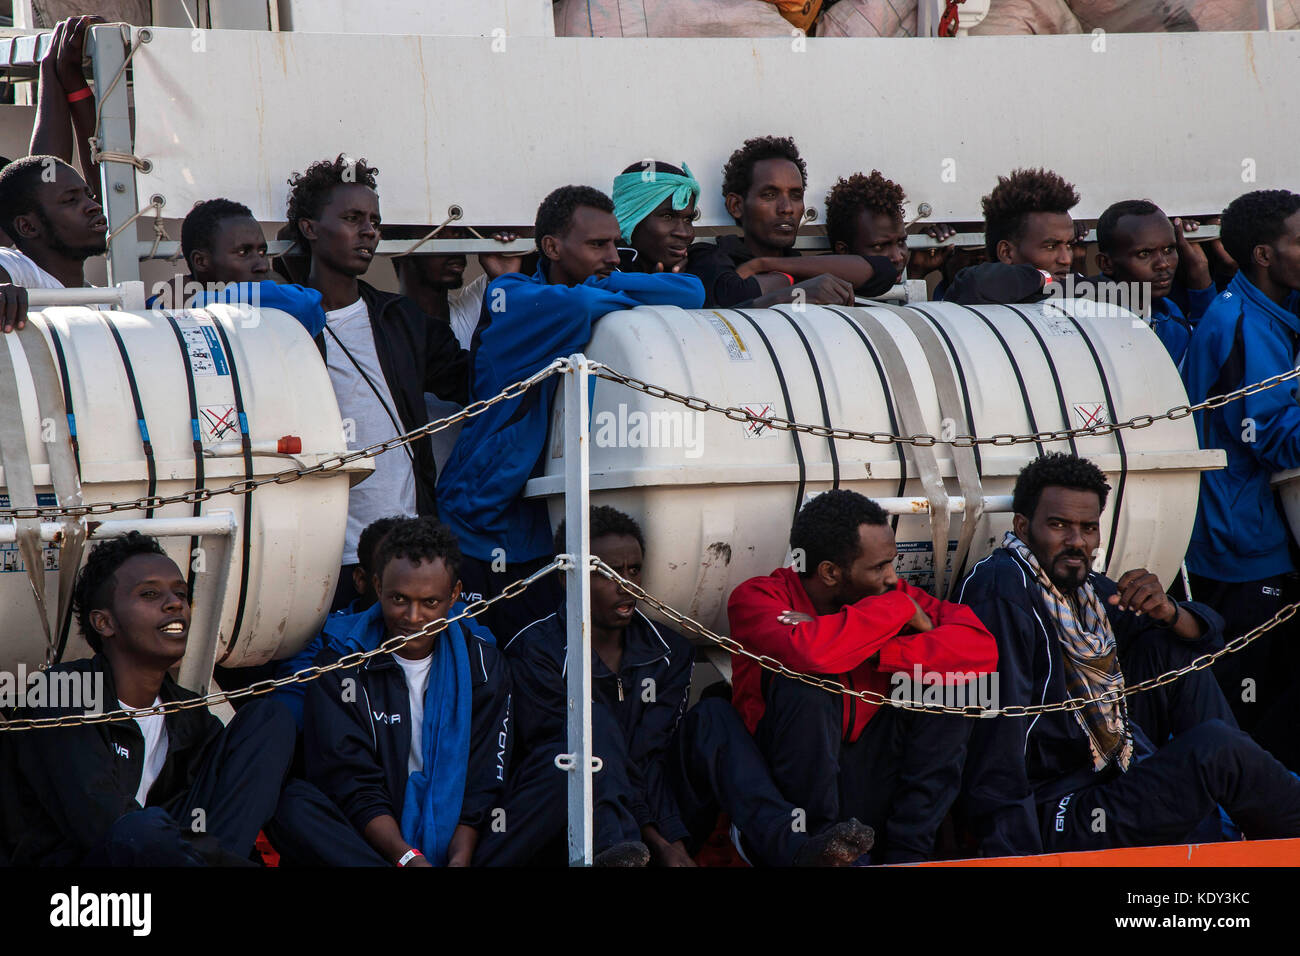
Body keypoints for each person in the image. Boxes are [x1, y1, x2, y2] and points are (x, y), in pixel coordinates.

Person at [476, 506, 875, 867]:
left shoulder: (669, 651)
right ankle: (616, 852)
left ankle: (793, 848)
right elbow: (577, 760)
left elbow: (649, 757)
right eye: (608, 574)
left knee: (714, 717)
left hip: (657, 815)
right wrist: (658, 843)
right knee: (588, 727)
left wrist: (667, 840)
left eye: (633, 570)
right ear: (568, 579)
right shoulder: (535, 650)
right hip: (566, 821)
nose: (626, 585)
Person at [956, 453, 1300, 852]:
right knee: (1218, 752)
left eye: (1088, 528)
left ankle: (1235, 813)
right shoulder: (1004, 590)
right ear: (1022, 526)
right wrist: (1014, 854)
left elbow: (1206, 638)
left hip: (1111, 772)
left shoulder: (1083, 589)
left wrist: (1168, 609)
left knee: (1167, 644)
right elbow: (999, 730)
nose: (1076, 541)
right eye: (1058, 525)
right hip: (1055, 809)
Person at [0, 533, 382, 865]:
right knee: (144, 829)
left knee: (274, 733)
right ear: (105, 622)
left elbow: (236, 807)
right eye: (150, 594)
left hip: (174, 853)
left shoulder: (189, 714)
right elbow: (101, 827)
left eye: (180, 594)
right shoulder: (61, 694)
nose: (175, 604)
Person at [436, 185, 703, 641]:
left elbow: (691, 289)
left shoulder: (582, 293)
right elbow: (581, 303)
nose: (615, 257)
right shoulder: (511, 294)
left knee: (542, 668)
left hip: (547, 526)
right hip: (480, 521)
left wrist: (602, 285)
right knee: (482, 666)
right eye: (598, 245)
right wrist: (613, 289)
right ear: (552, 247)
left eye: (617, 245)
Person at [727, 490, 1001, 863]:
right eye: (879, 567)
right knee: (809, 681)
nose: (893, 577)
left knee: (953, 686)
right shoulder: (758, 597)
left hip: (868, 770)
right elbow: (809, 652)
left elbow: (980, 650)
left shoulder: (892, 594)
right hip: (789, 791)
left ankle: (909, 855)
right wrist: (899, 613)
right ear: (829, 572)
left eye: (893, 562)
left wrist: (881, 651)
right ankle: (823, 850)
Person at [285, 154, 468, 611]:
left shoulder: (400, 318)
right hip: (319, 551)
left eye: (374, 221)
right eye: (351, 218)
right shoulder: (278, 322)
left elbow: (476, 381)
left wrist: (507, 280)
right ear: (310, 228)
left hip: (405, 551)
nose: (369, 231)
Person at [303, 517, 512, 866]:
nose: (413, 617)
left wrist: (460, 859)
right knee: (298, 805)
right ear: (376, 585)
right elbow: (352, 783)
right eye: (399, 598)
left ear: (455, 596)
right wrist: (408, 858)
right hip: (370, 839)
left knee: (550, 778)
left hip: (468, 839)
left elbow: (484, 780)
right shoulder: (339, 666)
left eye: (430, 603)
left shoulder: (484, 666)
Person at [1182, 188, 1300, 763]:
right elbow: (1277, 438)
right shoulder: (1244, 325)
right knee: (1254, 706)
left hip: (1254, 534)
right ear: (1262, 255)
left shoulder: (1267, 313)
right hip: (1242, 543)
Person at [685, 136, 898, 309]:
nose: (787, 208)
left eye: (796, 195)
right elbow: (733, 296)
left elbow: (882, 272)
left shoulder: (803, 264)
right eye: (769, 195)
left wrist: (765, 264)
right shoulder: (710, 256)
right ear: (736, 206)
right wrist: (802, 292)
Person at [271, 514, 408, 730]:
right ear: (362, 580)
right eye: (392, 582)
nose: (408, 602)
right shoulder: (323, 638)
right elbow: (290, 708)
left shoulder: (452, 629)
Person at [1094, 199, 1216, 367]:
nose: (1163, 264)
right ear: (1106, 263)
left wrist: (1200, 274)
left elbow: (1207, 356)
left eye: (1169, 250)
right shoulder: (1093, 321)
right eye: (1144, 254)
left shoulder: (1171, 315)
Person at [944, 167, 1084, 305]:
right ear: (1006, 252)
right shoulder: (976, 294)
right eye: (1050, 246)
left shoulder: (1078, 289)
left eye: (1069, 245)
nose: (1065, 259)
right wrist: (1044, 278)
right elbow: (977, 283)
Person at [387, 225, 525, 350]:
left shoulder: (471, 312)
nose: (455, 247)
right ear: (401, 247)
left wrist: (504, 276)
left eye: (459, 235)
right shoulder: (383, 324)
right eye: (436, 235)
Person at [823, 169, 955, 284]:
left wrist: (916, 272)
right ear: (843, 251)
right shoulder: (822, 302)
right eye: (879, 246)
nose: (898, 257)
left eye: (901, 242)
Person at [611, 159, 700, 274]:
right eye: (667, 217)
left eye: (688, 220)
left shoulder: (702, 265)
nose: (684, 233)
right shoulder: (601, 277)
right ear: (630, 218)